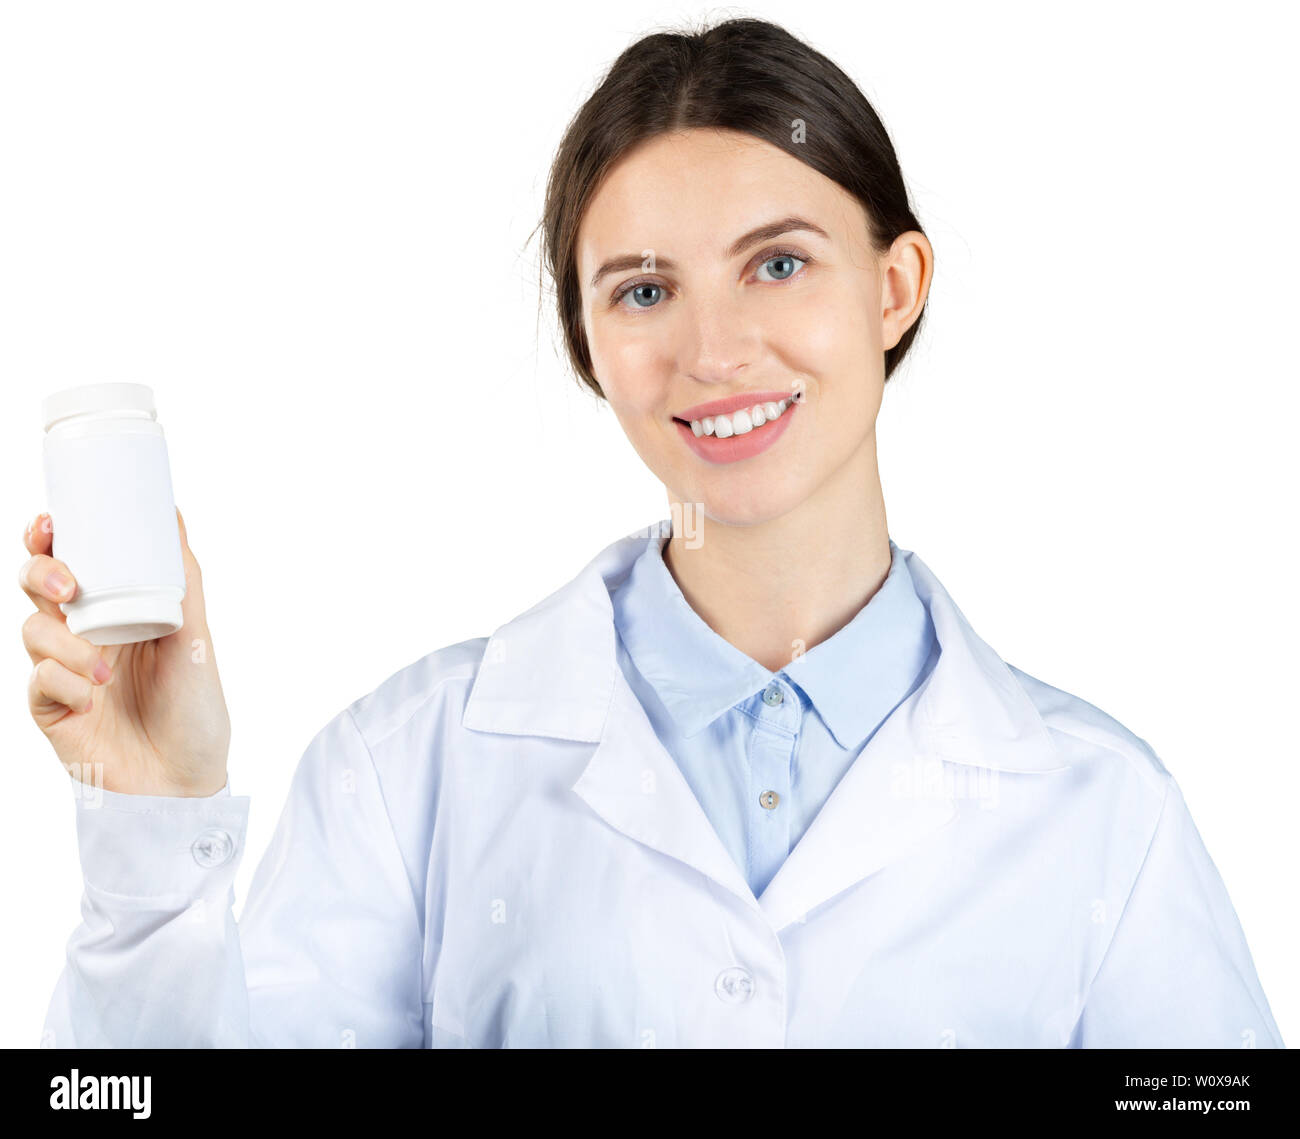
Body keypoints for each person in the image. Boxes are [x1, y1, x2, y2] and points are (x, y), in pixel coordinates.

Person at [20, 16, 1282, 1048]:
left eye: (778, 263)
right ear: (589, 343)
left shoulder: (1101, 810)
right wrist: (153, 828)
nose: (715, 350)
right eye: (642, 289)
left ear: (893, 288)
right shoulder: (410, 771)